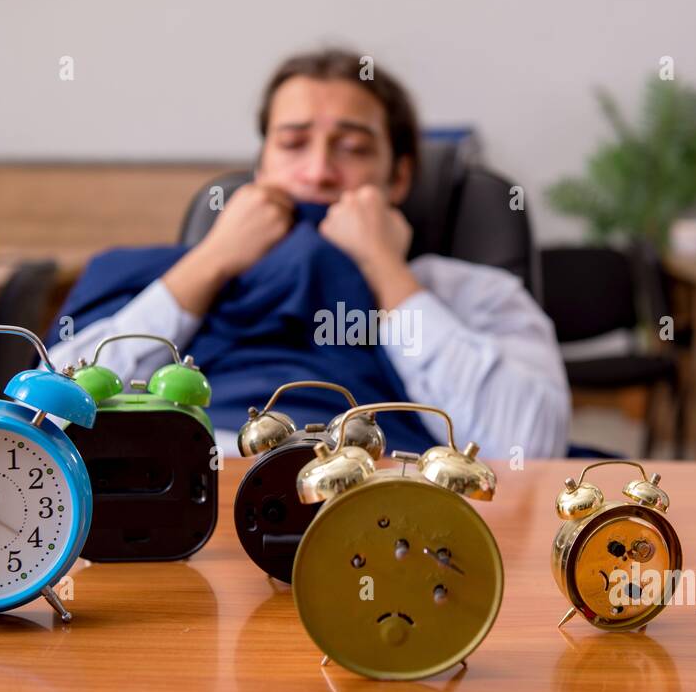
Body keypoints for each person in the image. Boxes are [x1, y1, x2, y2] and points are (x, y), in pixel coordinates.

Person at [47, 48, 570, 458]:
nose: (319, 172)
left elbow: (526, 446)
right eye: (293, 143)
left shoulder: (476, 292)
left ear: (400, 176)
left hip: (385, 494)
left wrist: (387, 271)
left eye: (354, 148)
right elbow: (46, 418)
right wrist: (211, 260)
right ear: (260, 167)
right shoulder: (155, 275)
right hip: (189, 487)